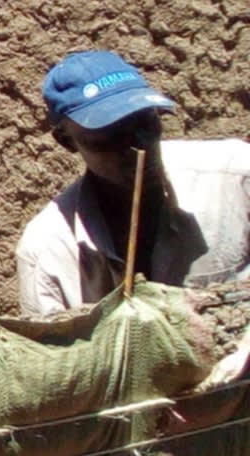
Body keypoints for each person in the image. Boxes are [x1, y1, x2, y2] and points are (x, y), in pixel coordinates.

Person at [14, 49, 250, 316]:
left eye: (147, 124)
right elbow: (52, 353)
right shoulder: (49, 250)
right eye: (112, 136)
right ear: (66, 141)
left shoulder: (234, 177)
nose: (140, 146)